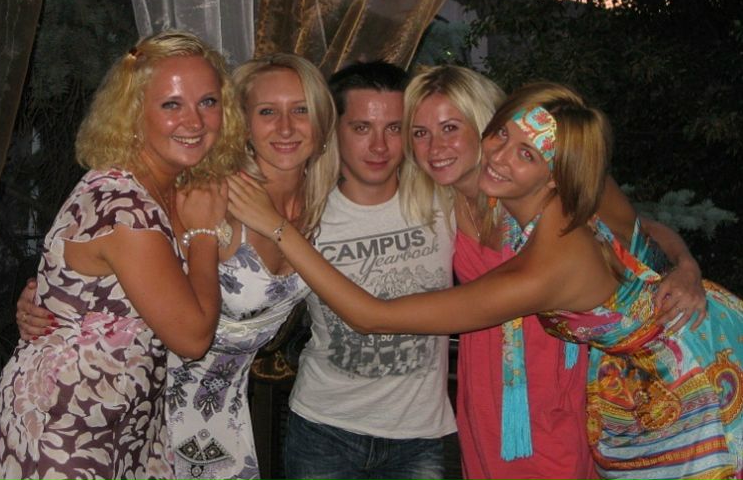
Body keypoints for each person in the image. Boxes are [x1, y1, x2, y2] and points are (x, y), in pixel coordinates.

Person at [227, 81, 742, 479]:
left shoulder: (549, 262)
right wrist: (685, 263)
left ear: (557, 172)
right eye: (502, 135)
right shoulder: (513, 200)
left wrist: (278, 229)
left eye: (527, 153)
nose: (499, 155)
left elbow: (372, 317)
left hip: (692, 365)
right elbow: (643, 235)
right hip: (628, 381)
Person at [16, 52, 338, 480]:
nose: (285, 127)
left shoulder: (328, 204)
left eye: (300, 110)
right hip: (147, 415)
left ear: (322, 119)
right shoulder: (205, 195)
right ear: (240, 122)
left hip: (225, 413)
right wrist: (48, 297)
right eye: (266, 111)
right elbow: (109, 258)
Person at [400, 68, 706, 479]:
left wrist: (686, 267)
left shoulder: (550, 174)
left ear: (483, 122)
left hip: (558, 389)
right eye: (419, 133)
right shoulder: (439, 200)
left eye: (450, 128)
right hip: (484, 392)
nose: (435, 147)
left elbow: (638, 231)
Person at [0, 31, 246, 480]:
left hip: (129, 424)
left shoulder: (174, 182)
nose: (195, 121)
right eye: (172, 104)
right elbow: (192, 338)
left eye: (208, 102)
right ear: (134, 113)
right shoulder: (124, 207)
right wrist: (203, 235)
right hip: (64, 433)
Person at [284, 61, 456, 480]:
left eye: (394, 128)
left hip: (420, 434)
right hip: (323, 428)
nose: (379, 146)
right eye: (362, 128)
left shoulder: (443, 201)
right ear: (333, 131)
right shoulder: (303, 214)